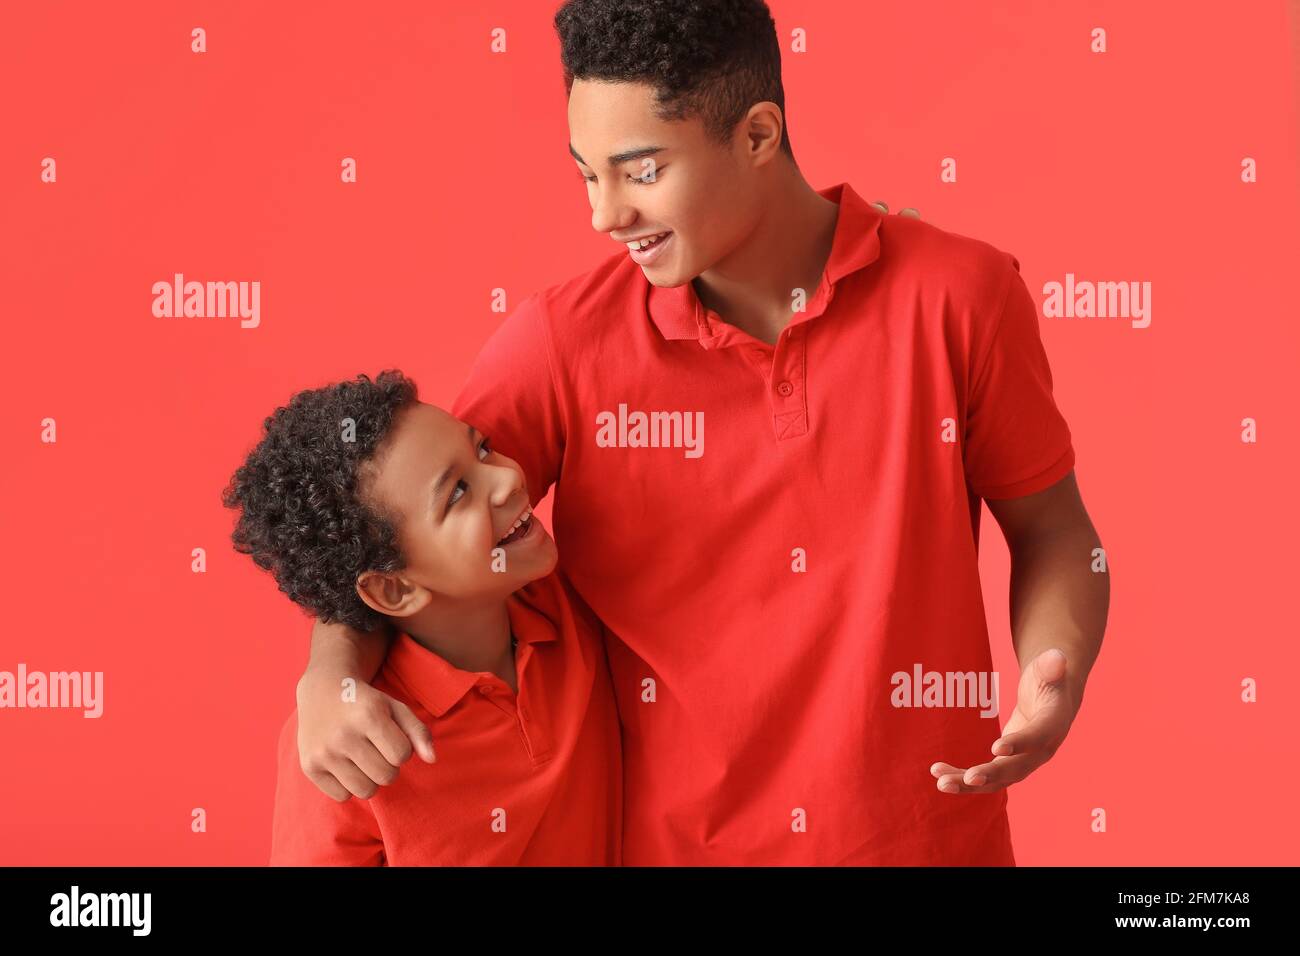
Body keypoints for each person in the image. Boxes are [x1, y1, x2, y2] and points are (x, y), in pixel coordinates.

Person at [291, 0, 1109, 865]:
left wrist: (1056, 669)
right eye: (588, 175)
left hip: (931, 844)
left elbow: (1054, 529)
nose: (606, 214)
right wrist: (329, 671)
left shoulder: (962, 296)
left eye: (640, 171)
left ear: (757, 134)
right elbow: (399, 539)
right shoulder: (561, 345)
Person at [222, 371, 621, 865]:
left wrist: (328, 672)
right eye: (457, 493)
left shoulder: (566, 601)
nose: (508, 478)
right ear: (394, 589)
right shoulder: (348, 746)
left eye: (483, 449)